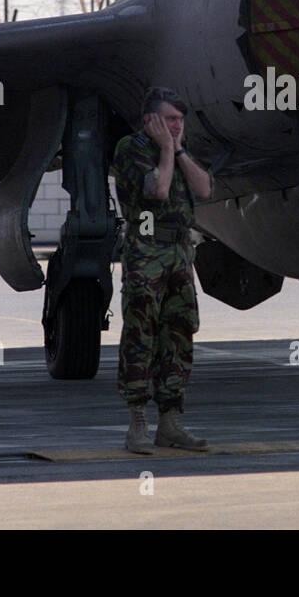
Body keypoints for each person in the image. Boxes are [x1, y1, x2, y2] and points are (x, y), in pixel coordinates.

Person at [111, 86, 214, 454]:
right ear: (150, 120)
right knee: (142, 333)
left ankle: (170, 421)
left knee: (179, 332)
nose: (176, 125)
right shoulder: (132, 149)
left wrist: (179, 149)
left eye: (180, 120)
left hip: (178, 251)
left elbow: (203, 189)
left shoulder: (179, 151)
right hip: (147, 249)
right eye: (169, 119)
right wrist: (168, 150)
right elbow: (158, 189)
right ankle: (137, 421)